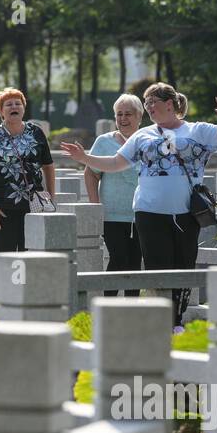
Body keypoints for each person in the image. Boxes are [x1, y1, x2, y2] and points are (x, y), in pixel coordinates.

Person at [61, 83, 217, 330]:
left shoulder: (197, 130)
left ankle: (177, 321)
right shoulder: (142, 135)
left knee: (184, 266)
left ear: (170, 104)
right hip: (148, 212)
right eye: (146, 103)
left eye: (152, 102)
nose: (149, 108)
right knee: (157, 267)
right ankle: (160, 320)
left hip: (187, 213)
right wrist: (85, 159)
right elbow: (115, 162)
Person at [0, 87, 56, 252]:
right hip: (2, 210)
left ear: (23, 109)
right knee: (6, 259)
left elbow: (48, 165)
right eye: (8, 104)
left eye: (18, 103)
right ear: (1, 111)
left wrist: (51, 198)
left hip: (35, 208)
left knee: (33, 257)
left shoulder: (36, 132)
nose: (14, 107)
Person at [83, 94, 143, 297]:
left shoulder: (149, 140)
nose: (123, 119)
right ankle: (107, 306)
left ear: (140, 117)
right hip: (112, 215)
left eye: (129, 114)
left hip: (143, 214)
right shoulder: (104, 142)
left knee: (135, 262)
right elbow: (91, 173)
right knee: (118, 259)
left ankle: (131, 310)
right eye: (119, 114)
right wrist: (95, 206)